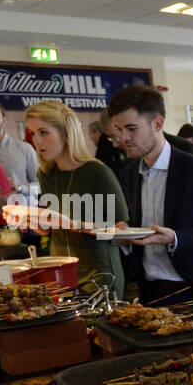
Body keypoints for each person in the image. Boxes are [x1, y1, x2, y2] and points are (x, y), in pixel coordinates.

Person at [106, 85, 193, 322]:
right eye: (118, 130)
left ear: (158, 124)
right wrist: (125, 232)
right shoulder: (128, 172)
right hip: (152, 294)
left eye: (131, 129)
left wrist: (175, 238)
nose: (123, 139)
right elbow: (145, 223)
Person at [23, 99, 127, 296]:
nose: (37, 141)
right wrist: (29, 217)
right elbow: (48, 231)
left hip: (99, 275)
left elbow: (120, 230)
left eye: (44, 132)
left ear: (66, 133)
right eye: (33, 133)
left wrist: (71, 223)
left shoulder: (97, 172)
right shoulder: (46, 174)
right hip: (61, 273)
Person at [0, 98, 38, 199]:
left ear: (4, 120)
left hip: (23, 209)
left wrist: (20, 188)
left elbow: (41, 185)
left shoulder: (25, 148)